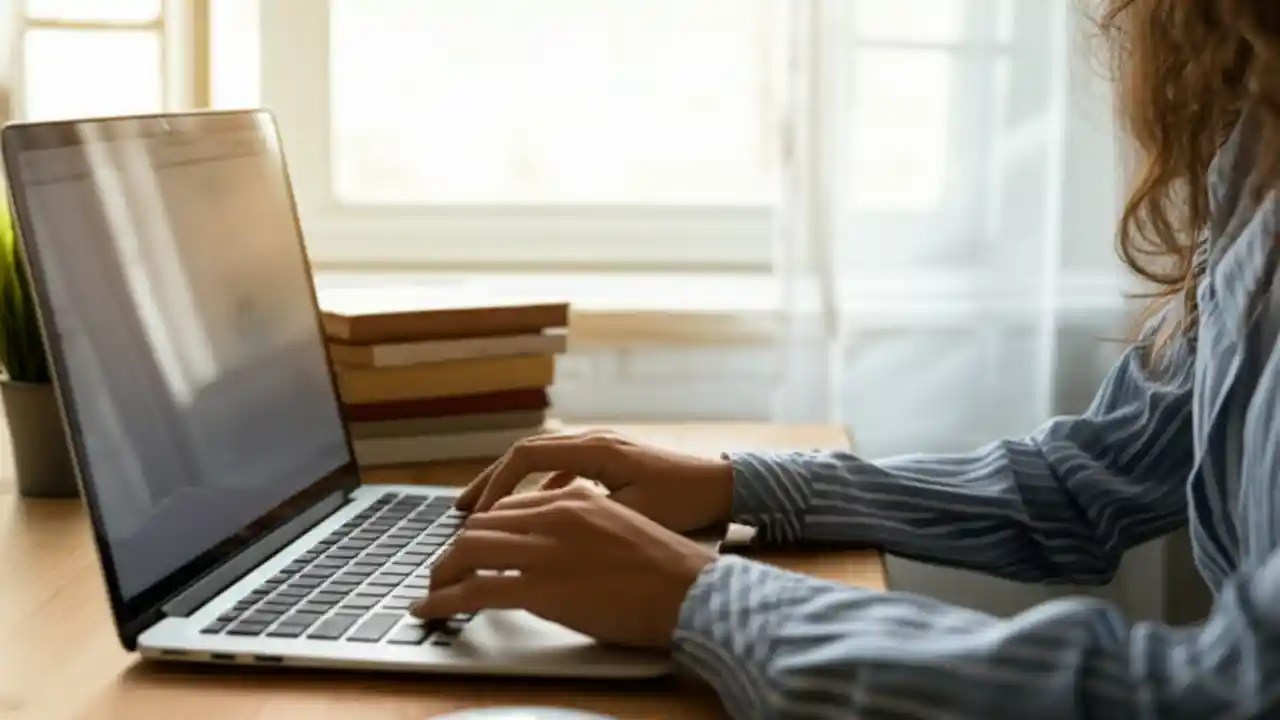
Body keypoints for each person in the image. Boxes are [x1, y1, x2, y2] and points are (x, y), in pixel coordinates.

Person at [412, 1, 1280, 717]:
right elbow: (1080, 485)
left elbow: (1219, 692)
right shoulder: (1254, 157)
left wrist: (701, 596)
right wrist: (736, 484)